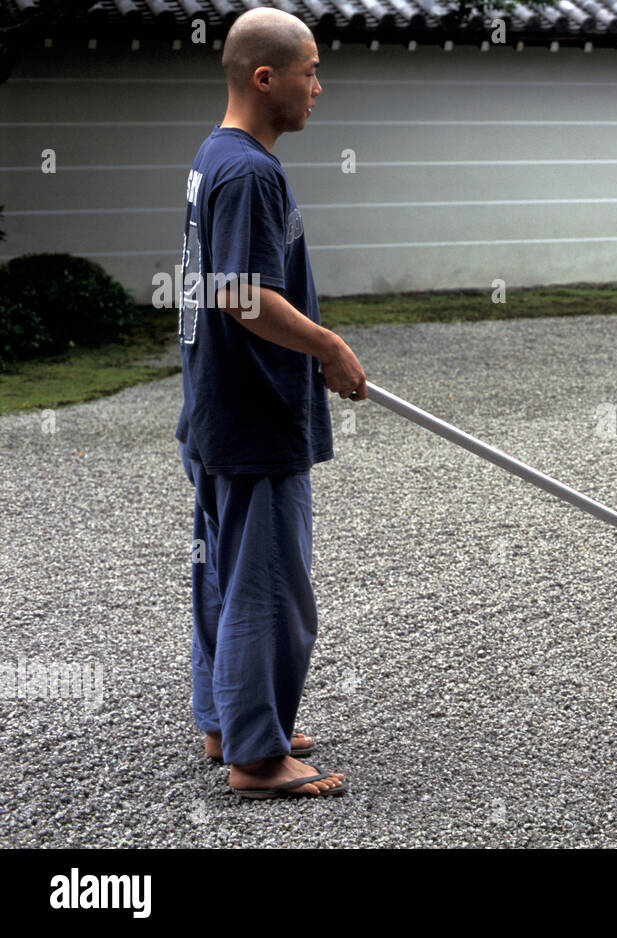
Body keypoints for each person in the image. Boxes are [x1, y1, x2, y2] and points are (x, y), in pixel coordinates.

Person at [175, 7, 365, 798]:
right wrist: (328, 346)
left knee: (224, 573)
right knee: (269, 584)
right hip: (254, 415)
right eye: (310, 70)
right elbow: (244, 296)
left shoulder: (215, 157)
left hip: (219, 409)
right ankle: (258, 758)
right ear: (266, 77)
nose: (318, 87)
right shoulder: (251, 171)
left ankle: (230, 722)